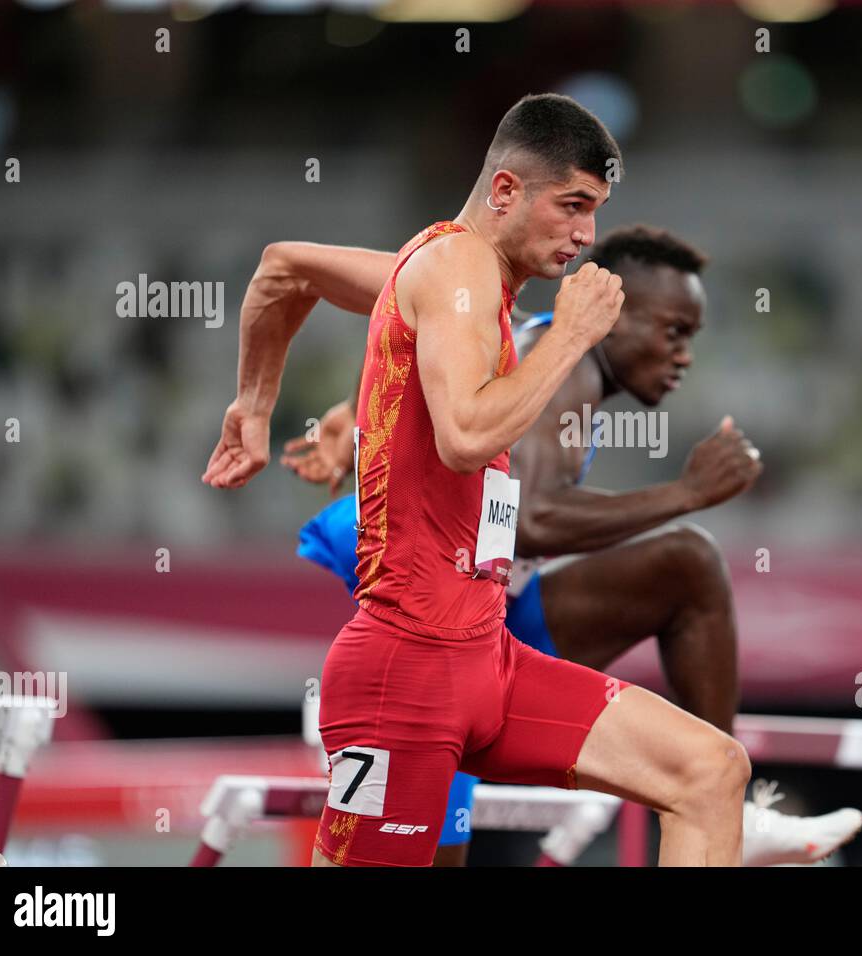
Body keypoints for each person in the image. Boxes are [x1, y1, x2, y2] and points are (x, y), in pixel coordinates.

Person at [202, 93, 751, 866]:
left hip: (488, 660)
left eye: (594, 211)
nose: (586, 235)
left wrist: (254, 409)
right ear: (504, 192)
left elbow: (283, 270)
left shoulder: (457, 284)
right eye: (572, 205)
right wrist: (570, 335)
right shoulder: (457, 263)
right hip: (407, 670)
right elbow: (464, 436)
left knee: (710, 770)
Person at [280, 224, 862, 866]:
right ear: (610, 317)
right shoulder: (567, 374)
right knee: (687, 559)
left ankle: (729, 810)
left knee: (686, 571)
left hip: (485, 610)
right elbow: (530, 517)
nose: (685, 356)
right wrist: (686, 492)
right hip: (420, 625)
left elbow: (431, 326)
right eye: (674, 332)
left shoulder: (526, 334)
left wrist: (356, 410)